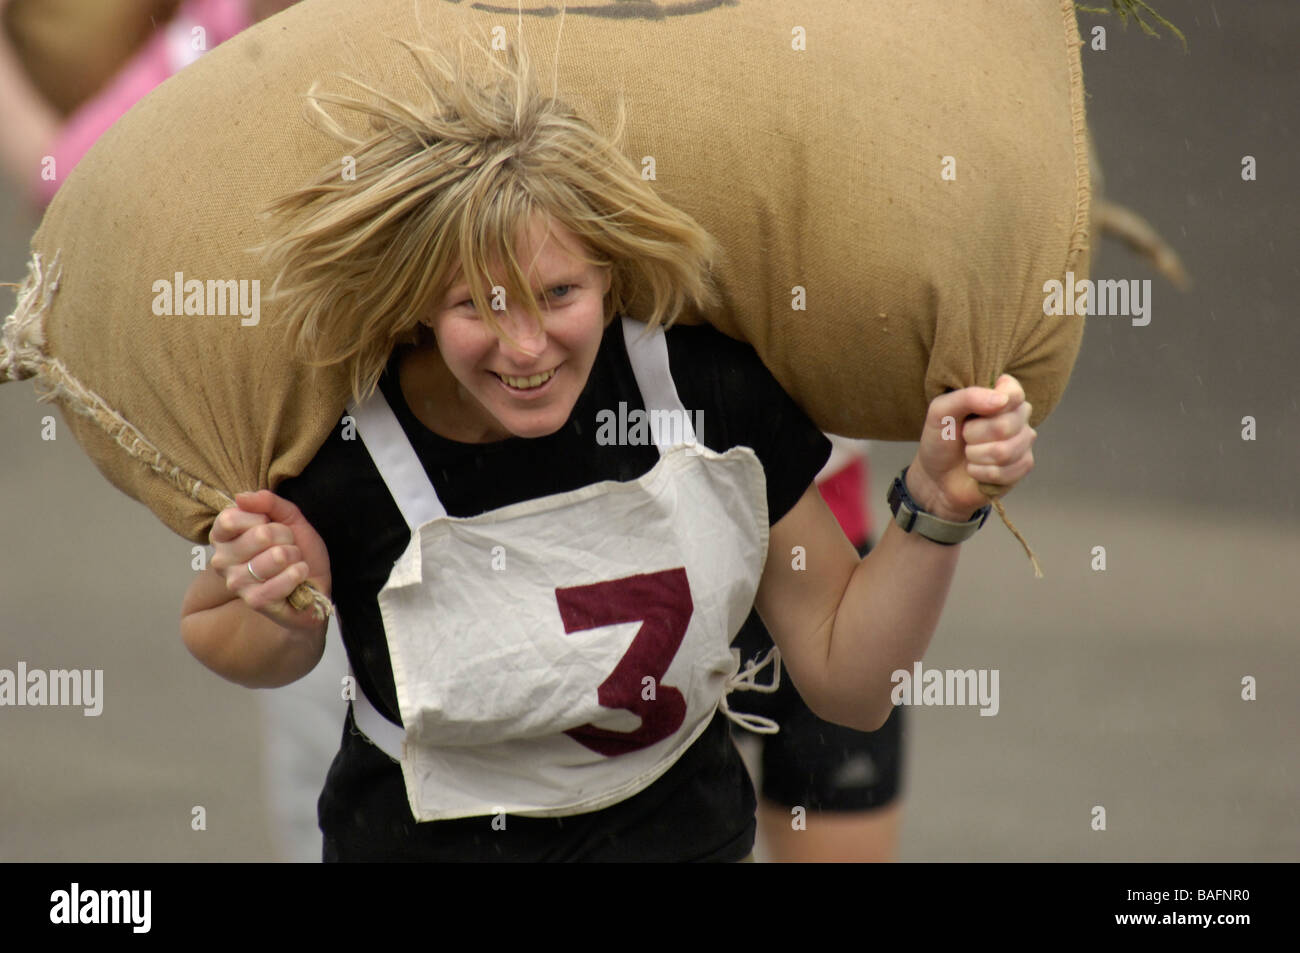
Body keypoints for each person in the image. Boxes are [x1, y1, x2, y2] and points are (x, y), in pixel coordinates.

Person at [177, 40, 1036, 861]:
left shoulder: (707, 396)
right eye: (478, 304)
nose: (525, 348)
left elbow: (848, 678)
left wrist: (937, 501)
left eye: (559, 293)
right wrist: (283, 610)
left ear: (608, 275)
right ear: (417, 306)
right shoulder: (345, 446)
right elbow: (221, 631)